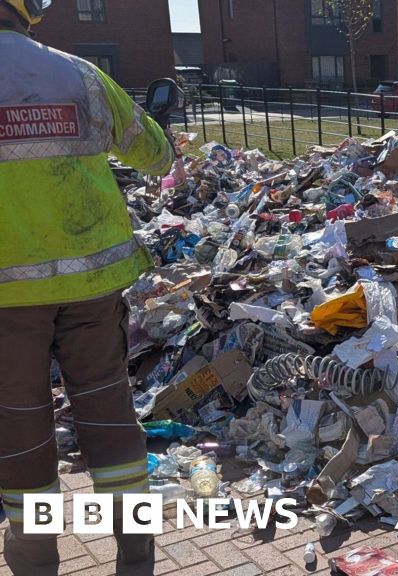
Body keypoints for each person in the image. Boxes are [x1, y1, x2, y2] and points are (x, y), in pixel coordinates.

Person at [0, 1, 173, 573]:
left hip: (6, 302)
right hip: (92, 287)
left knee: (21, 427)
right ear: (28, 12)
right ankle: (136, 549)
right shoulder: (80, 74)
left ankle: (34, 557)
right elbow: (153, 155)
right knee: (109, 415)